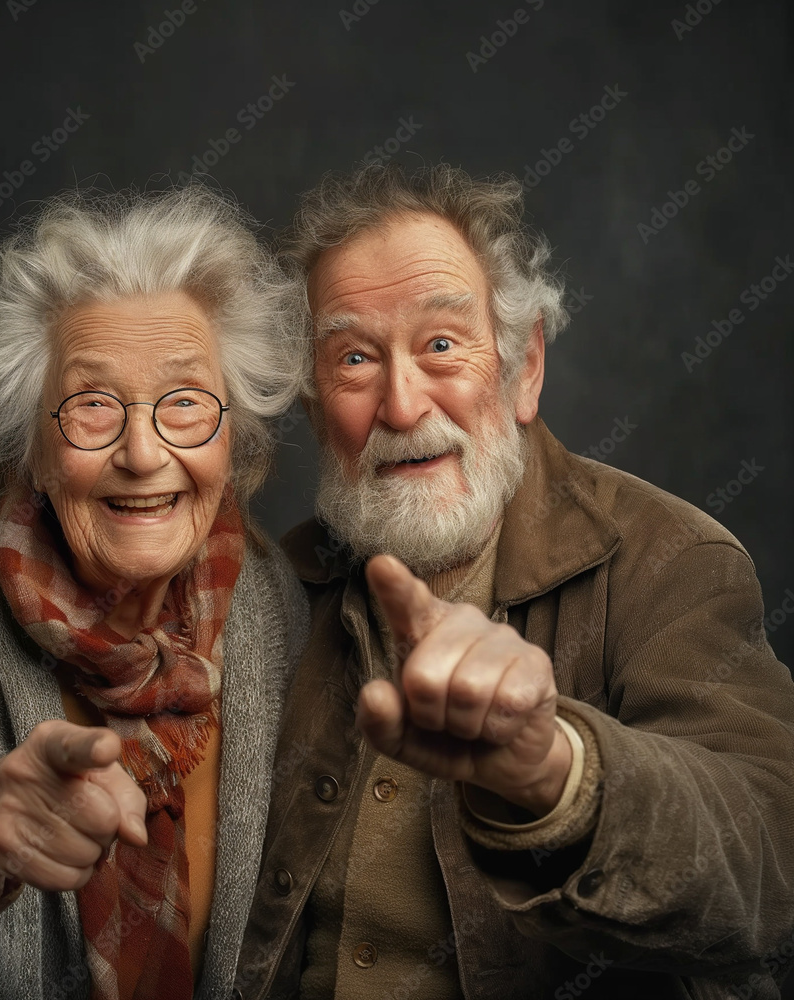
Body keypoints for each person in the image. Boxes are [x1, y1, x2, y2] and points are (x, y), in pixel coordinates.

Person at [235, 164, 794, 999]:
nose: (402, 404)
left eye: (441, 345)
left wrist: (555, 773)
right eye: (354, 358)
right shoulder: (276, 590)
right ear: (317, 410)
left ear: (524, 367)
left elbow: (771, 862)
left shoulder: (674, 561)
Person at [0, 185, 309, 1000]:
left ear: (232, 432)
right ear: (29, 445)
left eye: (184, 404)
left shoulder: (281, 604)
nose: (143, 454)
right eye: (92, 407)